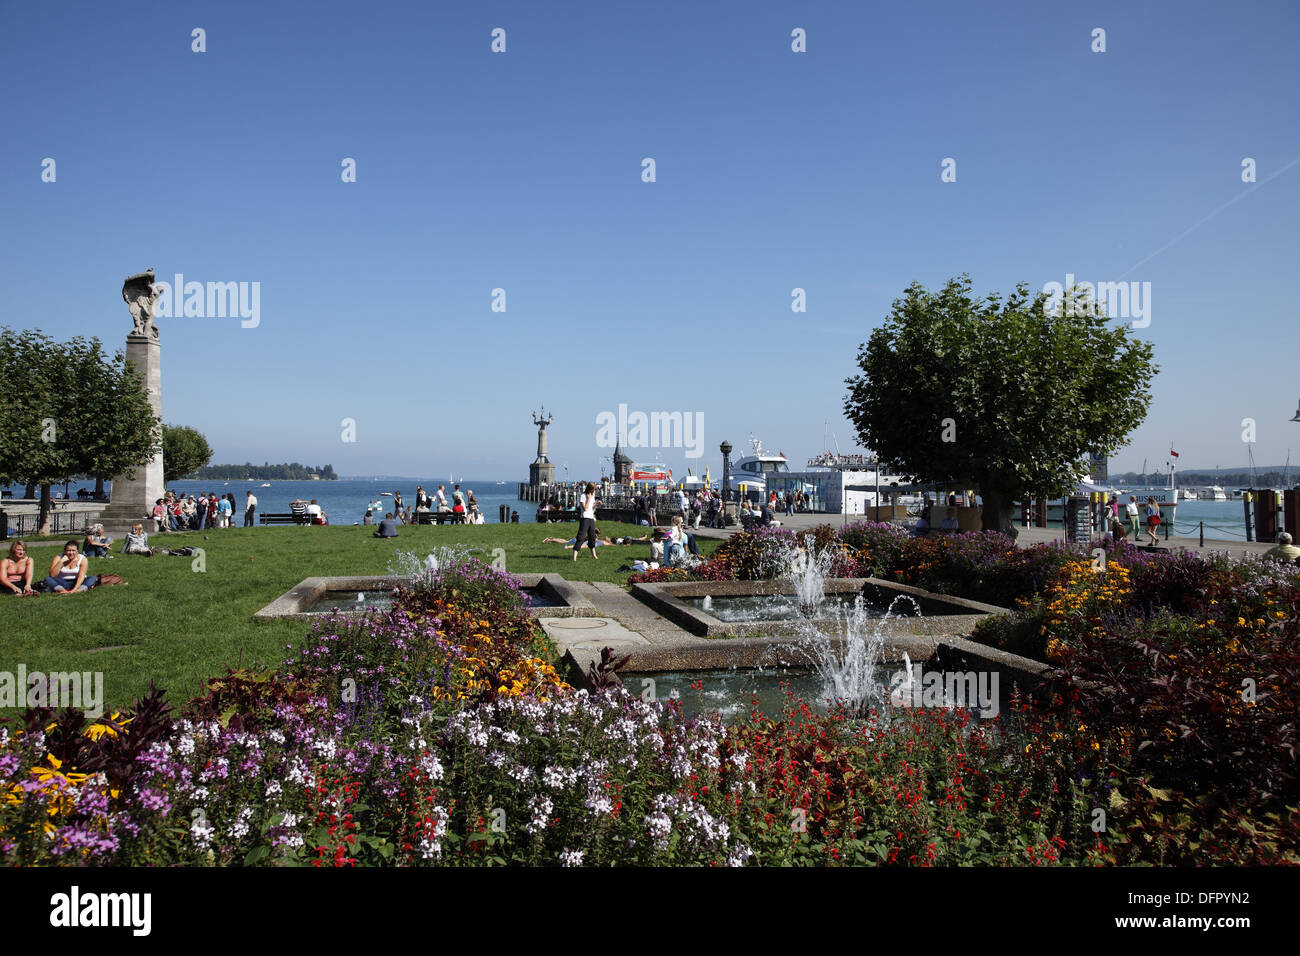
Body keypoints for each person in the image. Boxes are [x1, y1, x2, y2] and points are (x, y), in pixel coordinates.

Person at [573, 482, 600, 561]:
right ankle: (574, 557)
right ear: (589, 489)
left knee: (592, 537)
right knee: (581, 537)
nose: (593, 491)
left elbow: (590, 508)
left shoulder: (592, 496)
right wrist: (588, 499)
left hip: (591, 518)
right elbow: (585, 508)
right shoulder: (583, 496)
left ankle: (594, 555)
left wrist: (596, 504)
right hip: (584, 518)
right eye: (593, 489)